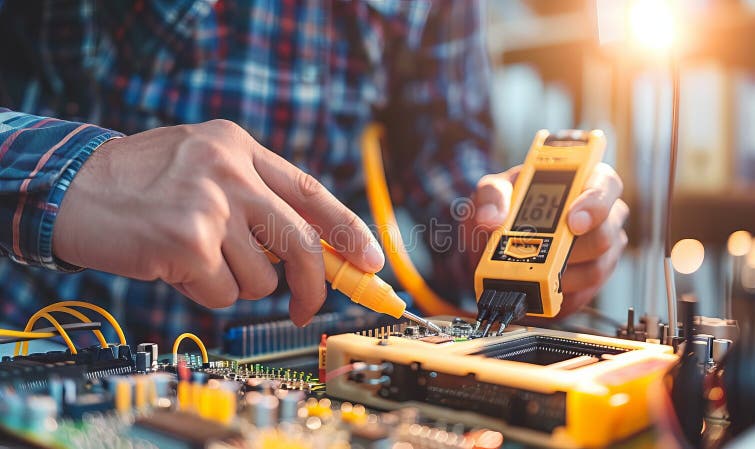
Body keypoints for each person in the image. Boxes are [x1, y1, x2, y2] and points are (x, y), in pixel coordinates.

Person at [0, 1, 628, 346]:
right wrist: (81, 175)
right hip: (48, 344)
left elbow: (443, 161)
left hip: (319, 365)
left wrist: (498, 239)